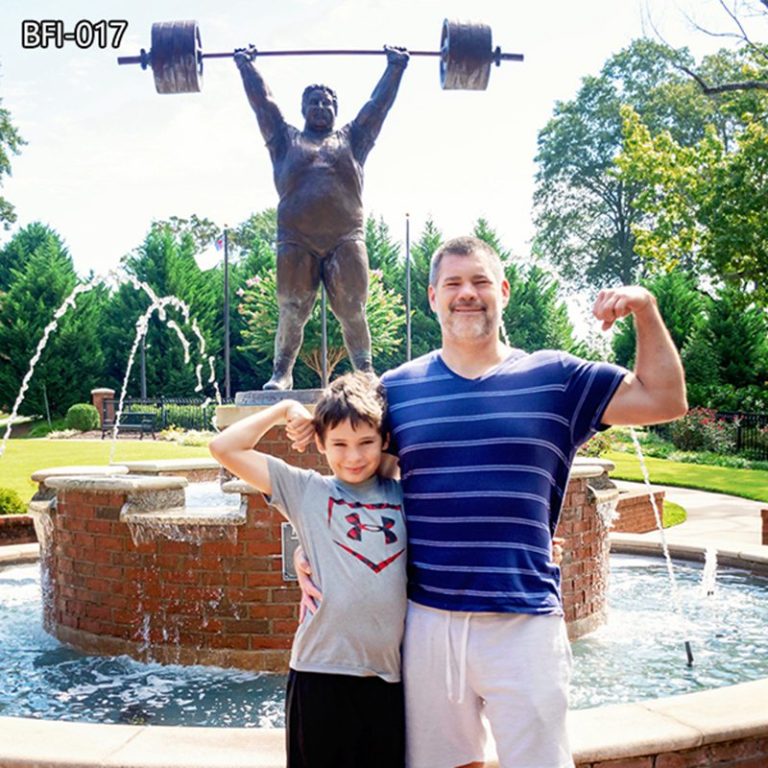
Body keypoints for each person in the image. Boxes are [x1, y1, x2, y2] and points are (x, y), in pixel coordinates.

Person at [290, 236, 687, 768]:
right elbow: (359, 481)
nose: (466, 294)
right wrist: (312, 546)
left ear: (503, 290)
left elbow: (665, 399)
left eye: (479, 281)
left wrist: (645, 308)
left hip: (523, 619)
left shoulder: (558, 378)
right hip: (426, 618)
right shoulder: (396, 390)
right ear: (432, 297)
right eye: (452, 283)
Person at [209, 372, 407, 768]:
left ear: (384, 441)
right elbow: (224, 447)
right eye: (339, 444)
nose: (354, 456)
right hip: (320, 673)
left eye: (366, 442)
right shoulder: (307, 490)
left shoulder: (404, 494)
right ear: (319, 442)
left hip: (386, 680)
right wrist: (282, 410)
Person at [234, 45, 409, 390]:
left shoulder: (353, 140)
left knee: (352, 309)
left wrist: (396, 67)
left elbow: (377, 107)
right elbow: (263, 103)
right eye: (313, 102)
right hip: (296, 238)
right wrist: (246, 66)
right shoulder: (284, 140)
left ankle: (365, 371)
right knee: (292, 308)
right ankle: (282, 373)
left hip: (346, 237)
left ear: (335, 110)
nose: (320, 107)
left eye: (327, 102)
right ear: (303, 109)